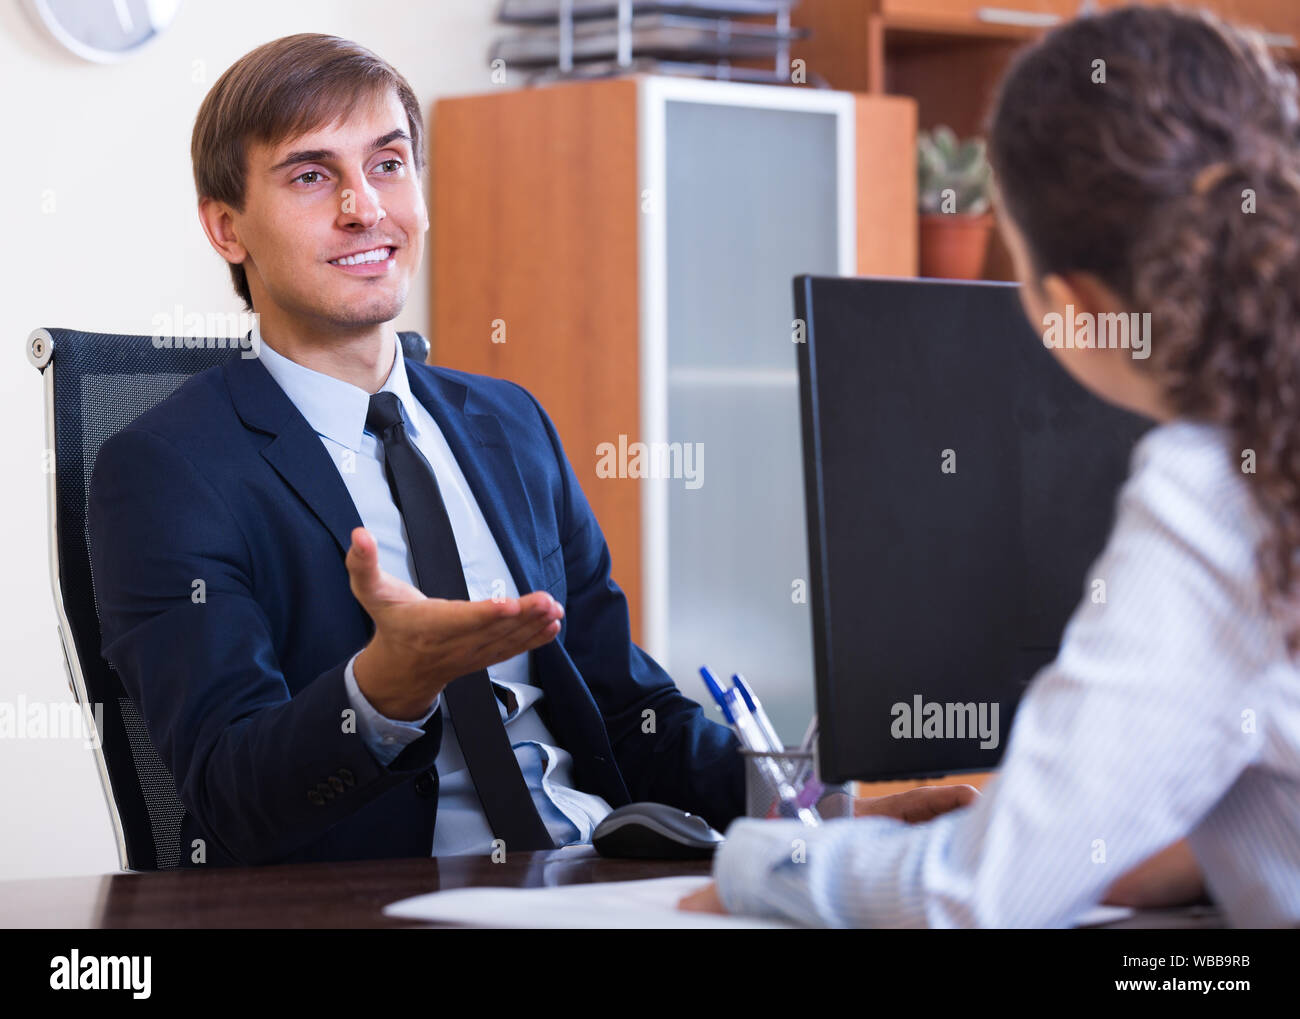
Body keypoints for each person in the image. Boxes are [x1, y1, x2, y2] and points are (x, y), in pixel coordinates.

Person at [88, 33, 966, 868]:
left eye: (389, 164)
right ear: (227, 228)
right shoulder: (167, 472)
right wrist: (383, 690)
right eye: (313, 176)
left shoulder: (508, 423)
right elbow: (230, 794)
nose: (366, 208)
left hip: (597, 870)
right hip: (394, 900)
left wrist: (821, 812)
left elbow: (628, 709)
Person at [681, 5, 1300, 926]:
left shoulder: (1214, 491)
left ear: (1072, 307)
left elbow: (973, 896)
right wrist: (1213, 848)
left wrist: (756, 860)